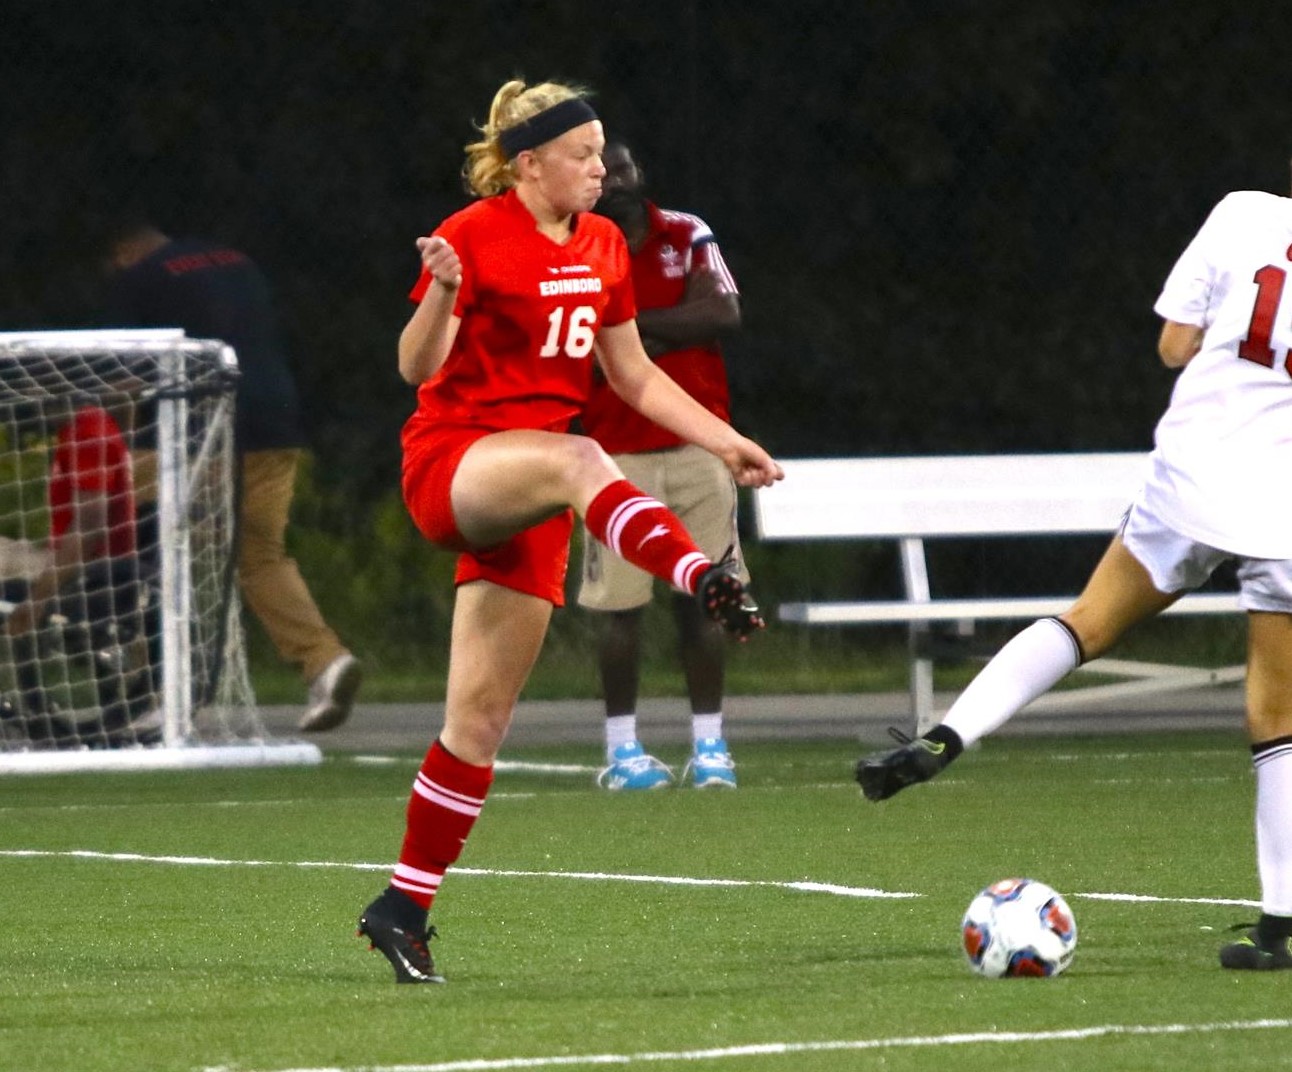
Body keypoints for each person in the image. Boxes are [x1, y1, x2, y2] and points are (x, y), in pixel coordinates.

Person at [355, 78, 782, 984]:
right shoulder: (472, 233)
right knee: (584, 457)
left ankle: (403, 906)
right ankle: (697, 575)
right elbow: (413, 366)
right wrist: (437, 292)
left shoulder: (601, 245)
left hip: (539, 488)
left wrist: (725, 439)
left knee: (478, 722)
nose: (600, 169)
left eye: (600, 153)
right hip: (458, 462)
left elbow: (633, 375)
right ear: (528, 165)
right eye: (583, 155)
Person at [856, 177, 1292, 972]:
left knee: (1088, 620)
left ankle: (948, 733)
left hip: (1198, 467)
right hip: (1287, 498)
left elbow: (1172, 344)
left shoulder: (1243, 213)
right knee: (1277, 714)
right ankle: (1281, 926)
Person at [102, 221, 362, 733]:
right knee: (260, 555)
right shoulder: (238, 263)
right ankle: (325, 662)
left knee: (136, 547)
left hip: (193, 434)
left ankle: (158, 688)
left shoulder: (141, 277)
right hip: (274, 421)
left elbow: (125, 380)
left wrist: (119, 445)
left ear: (123, 252)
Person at [578, 141, 748, 791]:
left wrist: (630, 328)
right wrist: (665, 329)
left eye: (620, 167)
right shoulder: (574, 246)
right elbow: (581, 345)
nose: (612, 179)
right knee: (618, 611)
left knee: (706, 600)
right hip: (612, 453)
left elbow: (724, 310)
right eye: (600, 168)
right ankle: (622, 751)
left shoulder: (686, 230)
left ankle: (710, 746)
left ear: (639, 174)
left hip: (698, 443)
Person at [5, 399, 161, 746]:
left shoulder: (90, 432)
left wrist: (36, 600)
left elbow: (90, 527)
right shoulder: (79, 427)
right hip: (71, 560)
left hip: (91, 571)